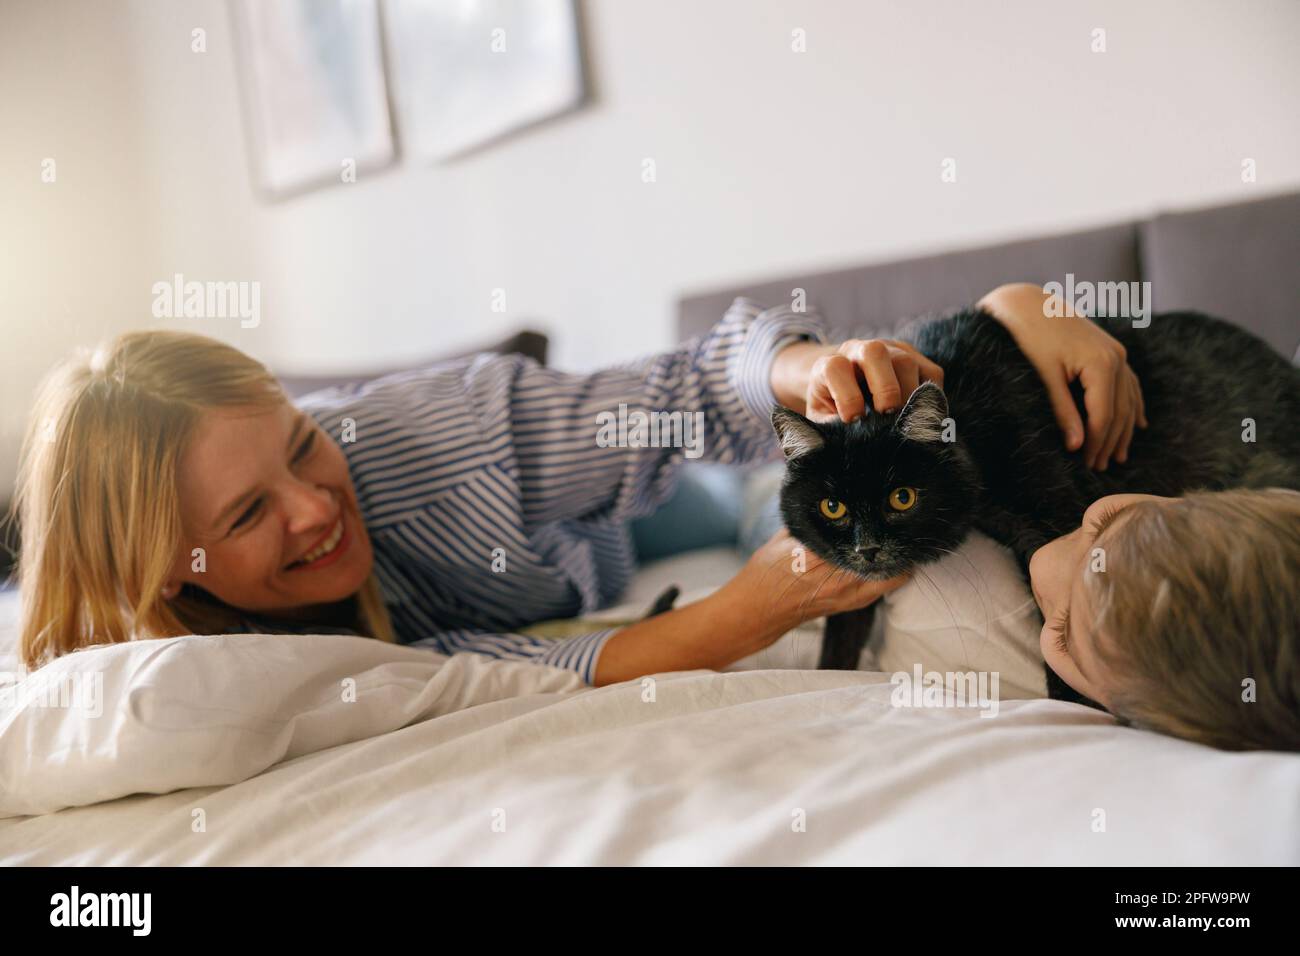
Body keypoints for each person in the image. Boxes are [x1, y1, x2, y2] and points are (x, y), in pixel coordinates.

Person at [12, 284, 1142, 692]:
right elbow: (511, 674)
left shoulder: (437, 433)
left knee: (783, 486)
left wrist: (802, 369)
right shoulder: (166, 665)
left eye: (304, 442)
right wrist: (737, 615)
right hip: (553, 596)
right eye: (248, 513)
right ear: (162, 569)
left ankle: (1002, 306)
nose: (317, 506)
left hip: (629, 517)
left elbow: (698, 388)